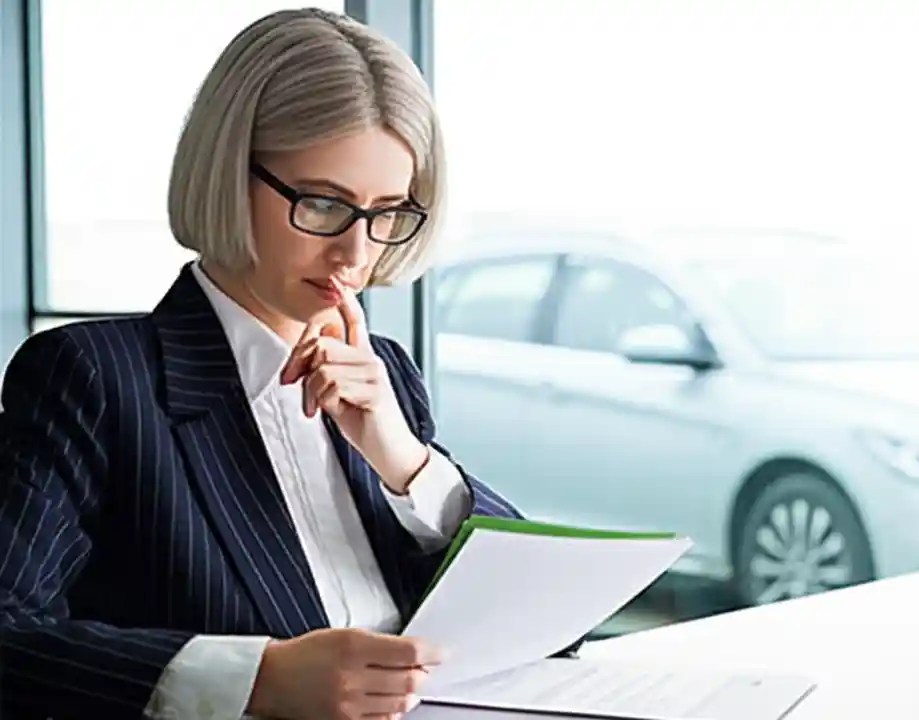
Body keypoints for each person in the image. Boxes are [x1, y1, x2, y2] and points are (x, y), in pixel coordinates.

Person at [0, 8, 551, 719]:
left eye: (387, 212)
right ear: (230, 174)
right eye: (324, 205)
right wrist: (255, 678)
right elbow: (9, 635)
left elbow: (526, 611)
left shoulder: (385, 378)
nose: (357, 255)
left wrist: (407, 462)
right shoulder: (95, 379)